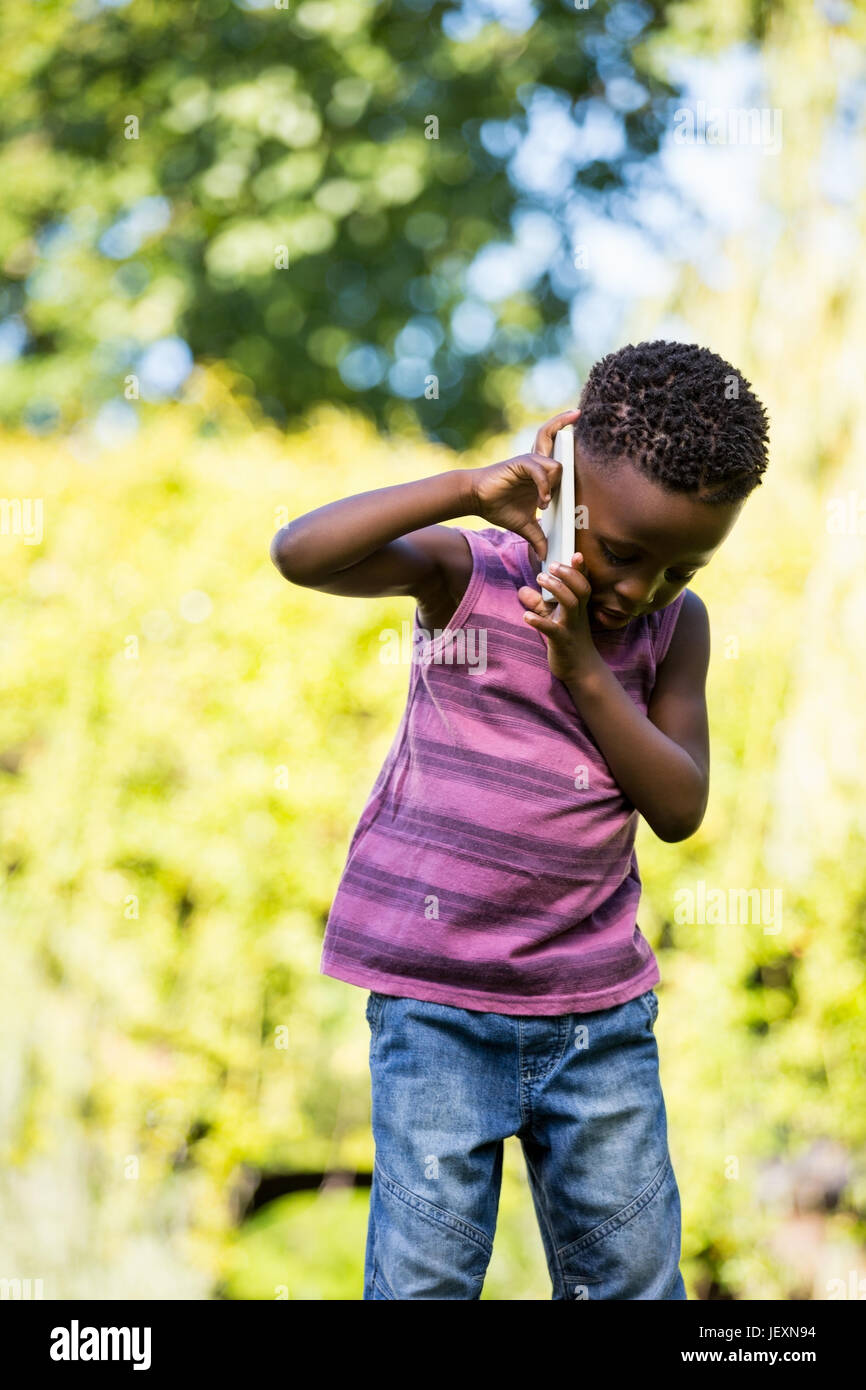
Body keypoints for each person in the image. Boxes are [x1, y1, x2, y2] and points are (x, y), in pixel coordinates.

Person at [270, 339, 770, 1300]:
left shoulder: (678, 627)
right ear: (570, 488)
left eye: (680, 567)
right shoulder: (472, 575)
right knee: (425, 1278)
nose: (641, 590)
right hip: (439, 1005)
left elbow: (678, 805)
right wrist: (465, 486)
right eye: (622, 553)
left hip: (597, 1019)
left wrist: (583, 662)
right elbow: (302, 554)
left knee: (631, 1277)